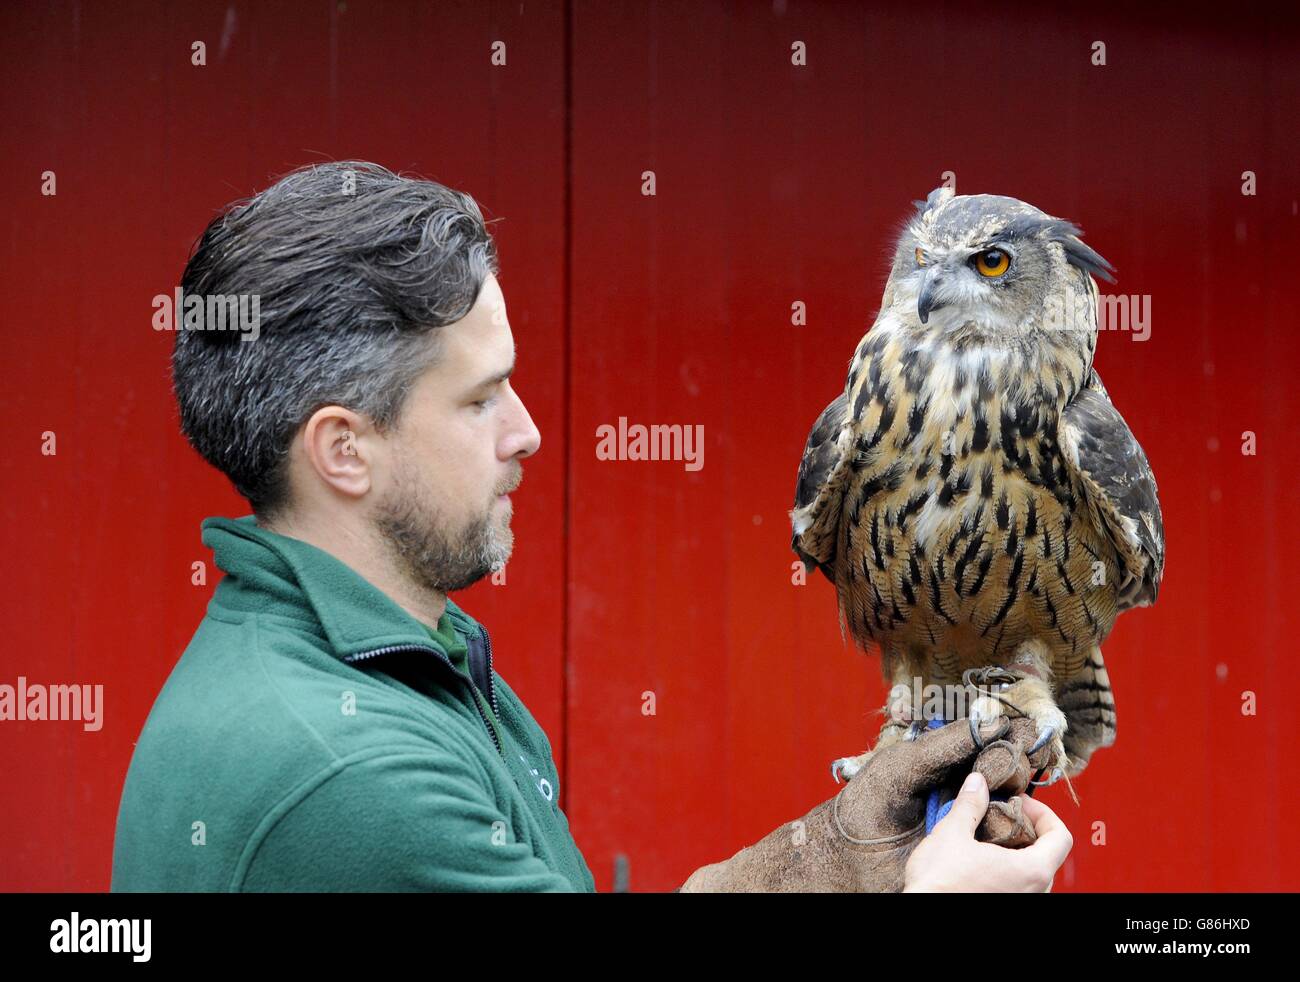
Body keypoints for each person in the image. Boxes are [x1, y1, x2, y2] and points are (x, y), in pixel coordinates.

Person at [111, 160, 1071, 893]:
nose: (527, 432)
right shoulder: (351, 776)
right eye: (481, 399)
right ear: (344, 451)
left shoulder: (397, 662)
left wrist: (838, 855)